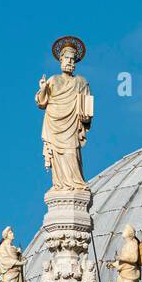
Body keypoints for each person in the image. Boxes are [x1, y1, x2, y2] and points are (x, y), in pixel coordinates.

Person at [36, 41, 95, 192]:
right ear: (60, 60)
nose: (69, 62)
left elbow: (87, 106)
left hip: (72, 125)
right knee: (57, 157)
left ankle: (75, 184)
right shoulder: (53, 80)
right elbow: (41, 102)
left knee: (71, 153)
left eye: (72, 59)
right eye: (67, 59)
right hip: (54, 123)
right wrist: (43, 89)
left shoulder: (81, 82)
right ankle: (60, 185)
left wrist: (86, 118)